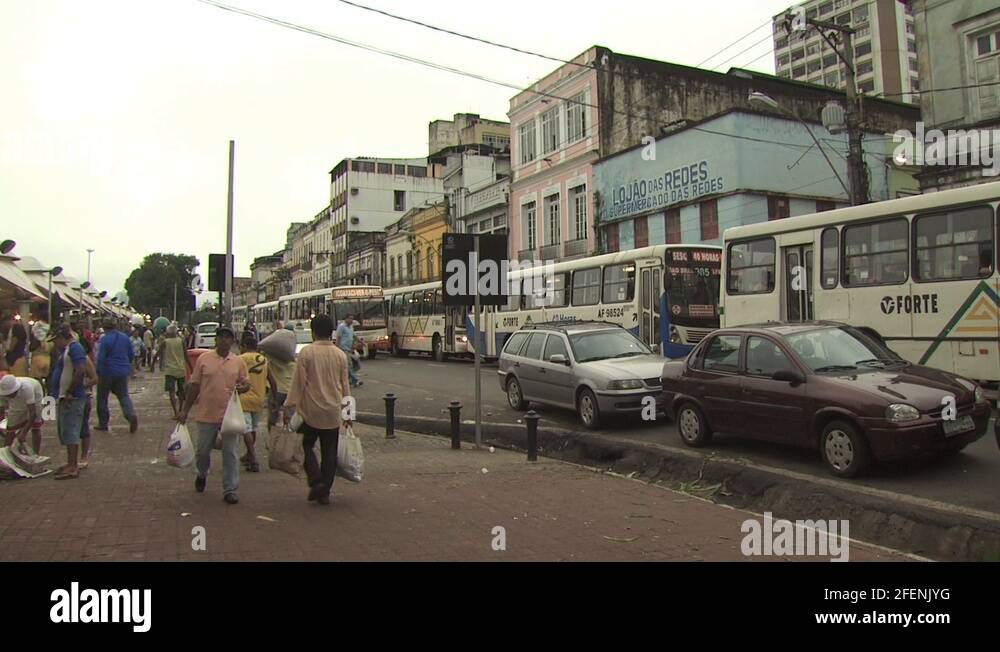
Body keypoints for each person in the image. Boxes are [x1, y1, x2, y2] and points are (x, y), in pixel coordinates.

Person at [177, 326, 250, 505]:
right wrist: (184, 410)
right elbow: (194, 385)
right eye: (221, 337)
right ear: (216, 340)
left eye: (227, 337)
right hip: (207, 413)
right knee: (202, 451)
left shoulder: (237, 362)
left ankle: (230, 489)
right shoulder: (204, 359)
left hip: (230, 415)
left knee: (231, 453)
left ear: (232, 341)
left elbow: (246, 382)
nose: (224, 340)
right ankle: (202, 474)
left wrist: (243, 388)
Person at [284, 314, 352, 505]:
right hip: (333, 411)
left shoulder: (307, 352)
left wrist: (288, 406)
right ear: (331, 331)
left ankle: (315, 480)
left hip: (310, 411)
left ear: (313, 331)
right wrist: (348, 412)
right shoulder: (340, 355)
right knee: (329, 452)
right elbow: (345, 386)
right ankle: (325, 491)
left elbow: (298, 383)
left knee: (304, 446)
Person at [47, 325, 87, 480]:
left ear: (62, 337)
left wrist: (70, 391)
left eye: (56, 340)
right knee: (66, 431)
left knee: (71, 431)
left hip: (73, 397)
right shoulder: (68, 350)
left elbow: (81, 370)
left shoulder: (75, 349)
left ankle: (72, 465)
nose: (55, 344)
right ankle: (70, 462)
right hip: (65, 396)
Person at [237, 334, 276, 473]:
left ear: (245, 347)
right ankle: (248, 454)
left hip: (243, 398)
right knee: (253, 428)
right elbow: (272, 381)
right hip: (259, 399)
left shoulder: (240, 359)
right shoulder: (264, 360)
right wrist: (274, 399)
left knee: (246, 429)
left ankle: (253, 457)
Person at [95, 319, 139, 433]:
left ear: (105, 328)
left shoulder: (105, 340)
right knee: (123, 395)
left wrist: (98, 371)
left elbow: (101, 358)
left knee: (102, 398)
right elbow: (131, 354)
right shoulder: (125, 338)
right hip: (122, 371)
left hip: (107, 372)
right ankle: (130, 415)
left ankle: (103, 423)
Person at [0, 374, 45, 454]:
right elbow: (1, 410)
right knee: (10, 430)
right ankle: (5, 454)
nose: (10, 395)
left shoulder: (26, 388)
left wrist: (24, 433)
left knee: (36, 427)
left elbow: (33, 413)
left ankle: (36, 453)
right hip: (17, 404)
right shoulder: (2, 392)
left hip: (35, 393)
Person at [264, 326, 297, 431]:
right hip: (290, 392)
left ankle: (274, 440)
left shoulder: (271, 358)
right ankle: (287, 441)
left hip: (275, 392)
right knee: (290, 419)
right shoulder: (295, 360)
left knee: (273, 419)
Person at [153, 325, 190, 419]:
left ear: (168, 332)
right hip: (180, 369)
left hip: (170, 370)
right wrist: (192, 368)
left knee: (171, 392)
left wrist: (152, 364)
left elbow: (158, 354)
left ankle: (175, 412)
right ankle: (181, 409)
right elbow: (186, 355)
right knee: (181, 391)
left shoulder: (166, 342)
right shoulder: (181, 341)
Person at [336, 314, 362, 388]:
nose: (351, 320)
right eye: (350, 318)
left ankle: (347, 380)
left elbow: (354, 336)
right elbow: (338, 338)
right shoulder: (341, 327)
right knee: (349, 365)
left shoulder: (351, 327)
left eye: (352, 319)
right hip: (343, 349)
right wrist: (337, 349)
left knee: (357, 365)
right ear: (346, 319)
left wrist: (361, 342)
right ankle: (356, 380)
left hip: (350, 349)